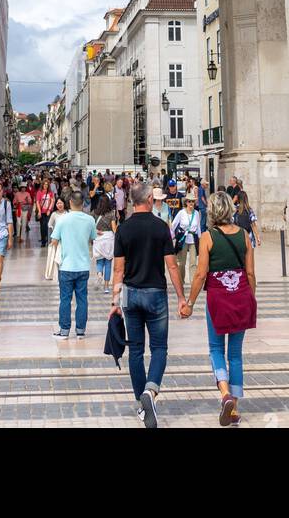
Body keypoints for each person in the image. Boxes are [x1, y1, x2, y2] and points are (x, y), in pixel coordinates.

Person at [111, 182, 187, 428]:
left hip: (131, 295)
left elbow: (118, 269)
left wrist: (115, 301)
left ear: (134, 201)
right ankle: (150, 392)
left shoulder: (123, 229)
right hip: (155, 293)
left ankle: (141, 402)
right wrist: (181, 297)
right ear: (149, 200)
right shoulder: (160, 227)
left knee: (135, 351)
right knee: (159, 349)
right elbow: (172, 265)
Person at [183, 191, 257, 426]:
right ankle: (233, 407)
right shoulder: (244, 235)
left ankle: (224, 393)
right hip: (241, 297)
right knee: (235, 353)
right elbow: (251, 273)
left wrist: (190, 303)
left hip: (217, 299)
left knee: (216, 348)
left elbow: (200, 273)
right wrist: (250, 299)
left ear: (212, 211)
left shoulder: (207, 237)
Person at [51, 191, 97, 339]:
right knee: (82, 299)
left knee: (65, 299)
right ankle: (80, 330)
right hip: (83, 266)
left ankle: (64, 330)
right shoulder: (90, 220)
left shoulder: (62, 220)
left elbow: (54, 241)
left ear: (70, 202)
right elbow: (92, 239)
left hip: (66, 266)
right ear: (83, 203)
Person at [171, 192, 201, 290]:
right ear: (186, 202)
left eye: (193, 201)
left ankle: (193, 282)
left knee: (193, 262)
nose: (191, 203)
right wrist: (171, 236)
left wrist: (200, 240)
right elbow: (174, 224)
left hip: (193, 239)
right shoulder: (181, 212)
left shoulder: (196, 213)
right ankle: (181, 281)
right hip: (183, 239)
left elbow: (199, 227)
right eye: (189, 201)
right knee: (182, 262)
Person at [45, 196, 67, 283]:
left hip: (66, 239)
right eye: (58, 203)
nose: (59, 205)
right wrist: (53, 229)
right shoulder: (54, 214)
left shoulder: (68, 213)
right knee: (57, 256)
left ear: (64, 204)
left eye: (61, 203)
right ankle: (57, 275)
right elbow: (49, 224)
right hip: (57, 239)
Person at [93, 209, 116, 292]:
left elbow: (90, 225)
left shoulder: (95, 212)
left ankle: (99, 274)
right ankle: (106, 287)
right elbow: (114, 228)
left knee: (99, 261)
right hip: (109, 238)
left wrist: (95, 231)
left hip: (99, 238)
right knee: (108, 263)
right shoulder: (111, 213)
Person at [35, 178, 55, 246]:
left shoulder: (50, 192)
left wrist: (49, 210)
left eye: (47, 184)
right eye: (44, 184)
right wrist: (39, 211)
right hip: (42, 211)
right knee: (42, 226)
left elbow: (52, 201)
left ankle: (46, 238)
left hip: (48, 212)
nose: (45, 185)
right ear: (42, 185)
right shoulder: (39, 192)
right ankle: (43, 239)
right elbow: (37, 202)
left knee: (47, 225)